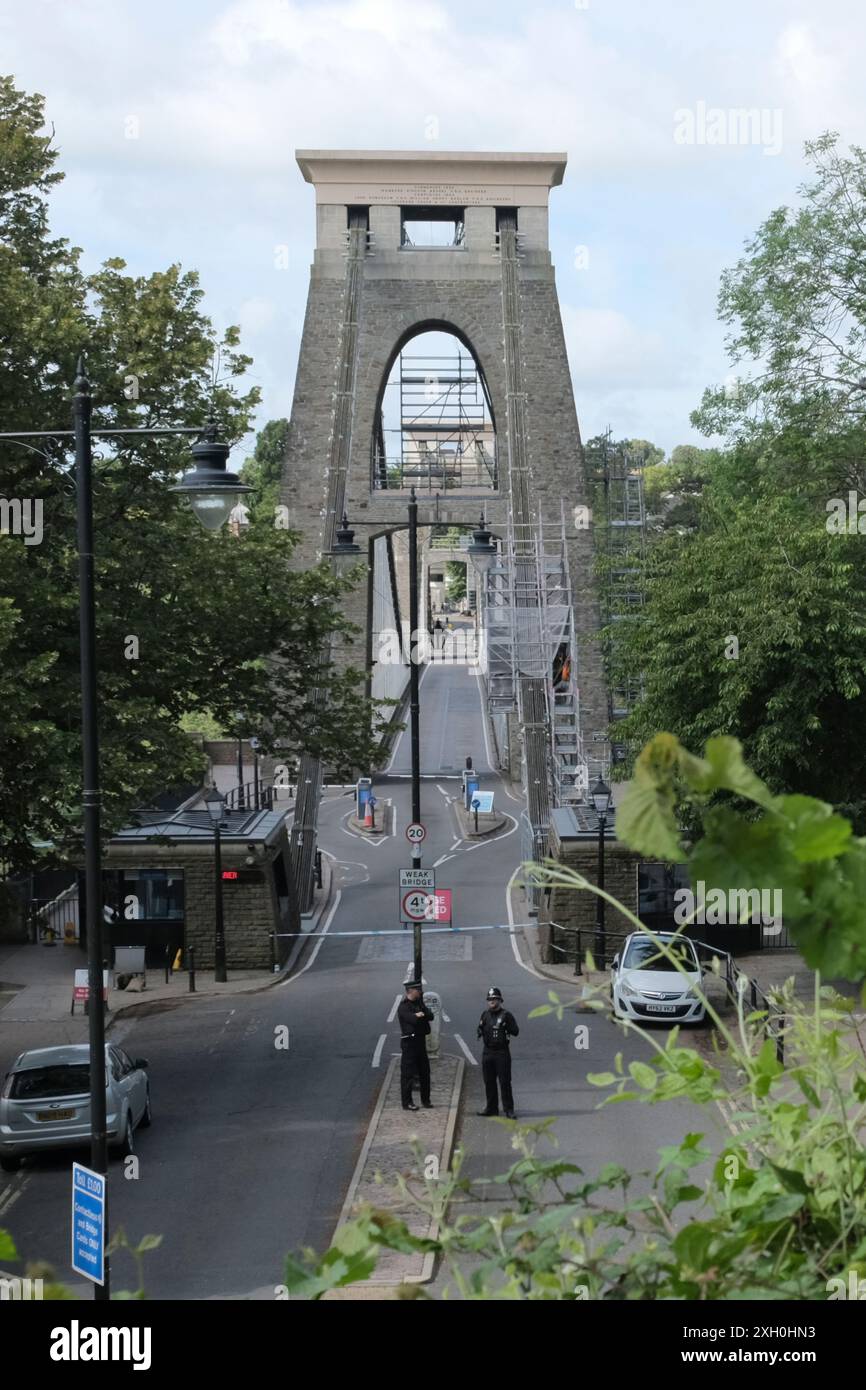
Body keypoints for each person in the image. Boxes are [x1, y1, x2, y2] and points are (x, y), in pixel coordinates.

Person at [476, 987, 519, 1118]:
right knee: (489, 1081)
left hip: (502, 1052)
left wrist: (507, 1026)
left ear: (500, 1000)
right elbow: (480, 1028)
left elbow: (516, 1031)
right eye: (489, 999)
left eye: (494, 999)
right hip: (488, 1052)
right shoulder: (485, 1014)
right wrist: (479, 1031)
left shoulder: (506, 1015)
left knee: (504, 1082)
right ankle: (491, 1107)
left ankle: (509, 1109)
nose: (492, 1001)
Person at [398, 978, 433, 1111]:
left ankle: (426, 1100)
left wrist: (421, 1014)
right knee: (408, 1074)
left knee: (425, 1072)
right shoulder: (404, 1006)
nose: (420, 991)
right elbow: (412, 1019)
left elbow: (430, 1016)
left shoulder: (420, 1004)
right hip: (409, 1044)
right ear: (411, 991)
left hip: (420, 1043)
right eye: (418, 989)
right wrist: (418, 1016)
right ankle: (407, 1102)